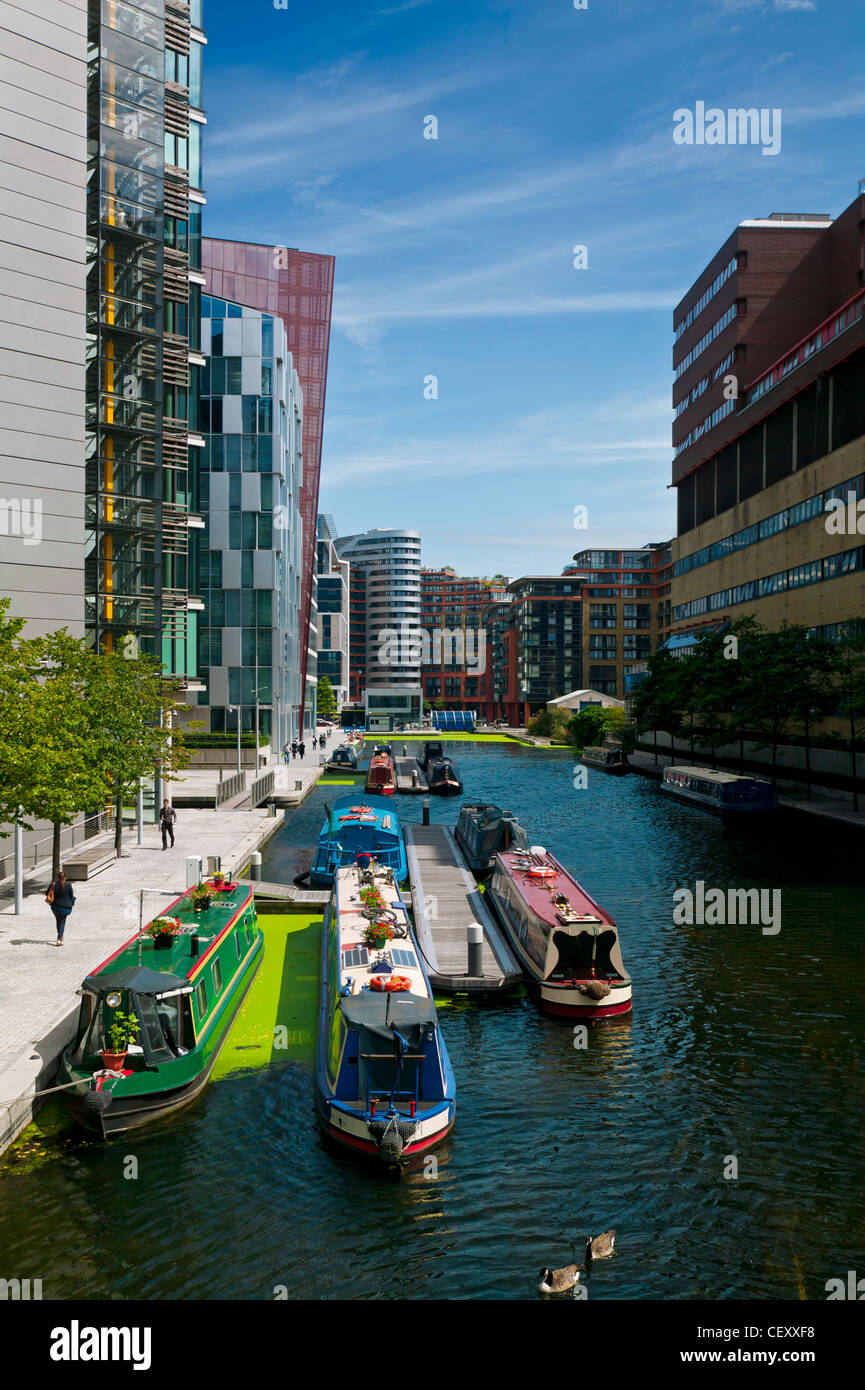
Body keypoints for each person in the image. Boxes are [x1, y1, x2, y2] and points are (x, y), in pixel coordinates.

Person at [46, 870, 75, 946]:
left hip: (55, 907)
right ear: (65, 877)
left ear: (58, 878)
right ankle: (59, 939)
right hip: (65, 907)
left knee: (58, 921)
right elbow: (71, 896)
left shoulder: (54, 884)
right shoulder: (68, 885)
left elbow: (47, 893)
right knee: (62, 923)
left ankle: (61, 936)